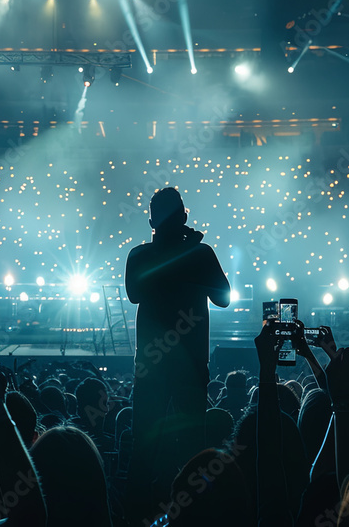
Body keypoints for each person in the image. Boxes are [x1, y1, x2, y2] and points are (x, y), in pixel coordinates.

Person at [124, 187, 230, 511]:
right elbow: (223, 297)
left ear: (151, 220)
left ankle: (136, 513)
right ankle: (196, 511)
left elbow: (134, 293)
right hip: (191, 365)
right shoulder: (200, 254)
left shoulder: (139, 255)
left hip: (152, 365)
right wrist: (190, 257)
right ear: (185, 216)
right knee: (192, 448)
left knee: (144, 443)